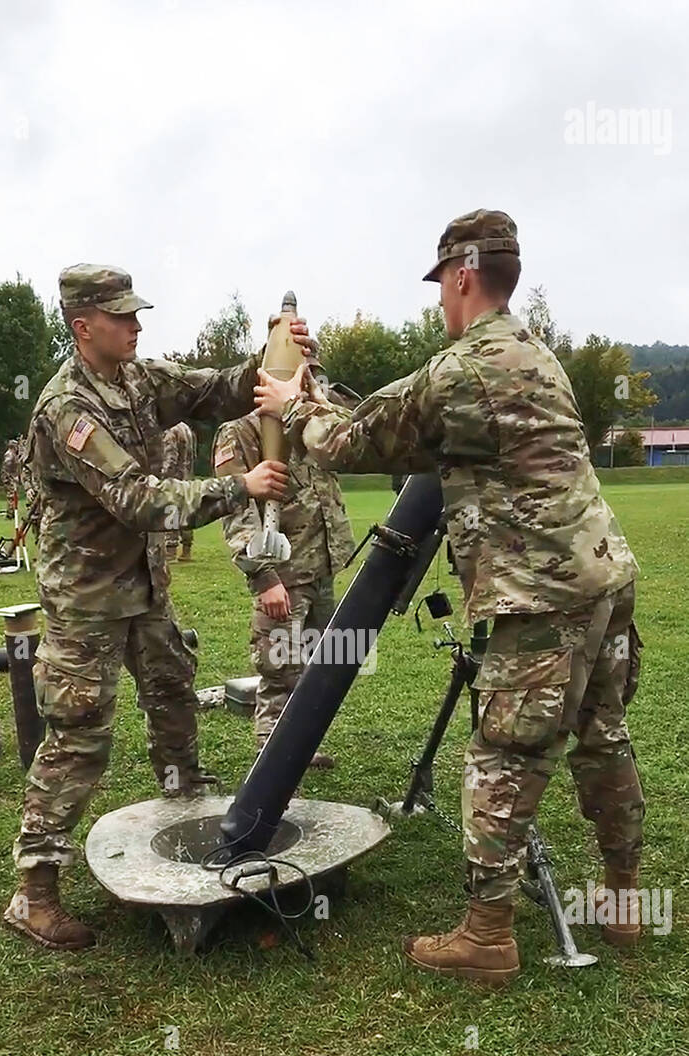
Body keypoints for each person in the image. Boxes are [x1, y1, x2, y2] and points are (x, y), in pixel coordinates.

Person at [255, 210, 643, 985]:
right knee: (601, 735)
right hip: (603, 575)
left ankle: (487, 935)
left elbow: (348, 443)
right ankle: (624, 898)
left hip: (539, 595)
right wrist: (320, 387)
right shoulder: (533, 354)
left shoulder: (462, 370)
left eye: (439, 285)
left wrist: (295, 403)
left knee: (503, 755)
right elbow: (397, 418)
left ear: (461, 276)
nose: (438, 301)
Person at [4, 263, 310, 951]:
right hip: (87, 599)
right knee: (79, 739)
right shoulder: (67, 409)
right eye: (122, 316)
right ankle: (34, 892)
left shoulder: (139, 379)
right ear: (84, 327)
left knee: (173, 697)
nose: (137, 325)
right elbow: (138, 500)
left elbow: (216, 388)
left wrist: (272, 354)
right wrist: (239, 486)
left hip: (143, 589)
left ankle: (189, 814)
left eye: (136, 313)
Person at [213, 365, 356, 766]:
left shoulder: (312, 423)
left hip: (322, 566)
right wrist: (264, 576)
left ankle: (300, 748)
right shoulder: (242, 432)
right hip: (283, 574)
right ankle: (271, 762)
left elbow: (358, 431)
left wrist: (318, 401)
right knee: (279, 671)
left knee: (317, 666)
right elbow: (236, 510)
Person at [160, 421, 196, 561]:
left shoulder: (170, 430)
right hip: (187, 477)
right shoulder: (185, 427)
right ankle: (186, 550)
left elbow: (170, 458)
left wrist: (162, 477)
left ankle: (171, 550)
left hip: (174, 479)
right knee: (186, 512)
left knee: (171, 512)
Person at [1, 439, 21, 517]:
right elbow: (8, 468)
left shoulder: (12, 454)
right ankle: (10, 513)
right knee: (11, 495)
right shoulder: (9, 454)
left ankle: (12, 511)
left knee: (13, 495)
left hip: (10, 477)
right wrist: (12, 477)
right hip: (9, 478)